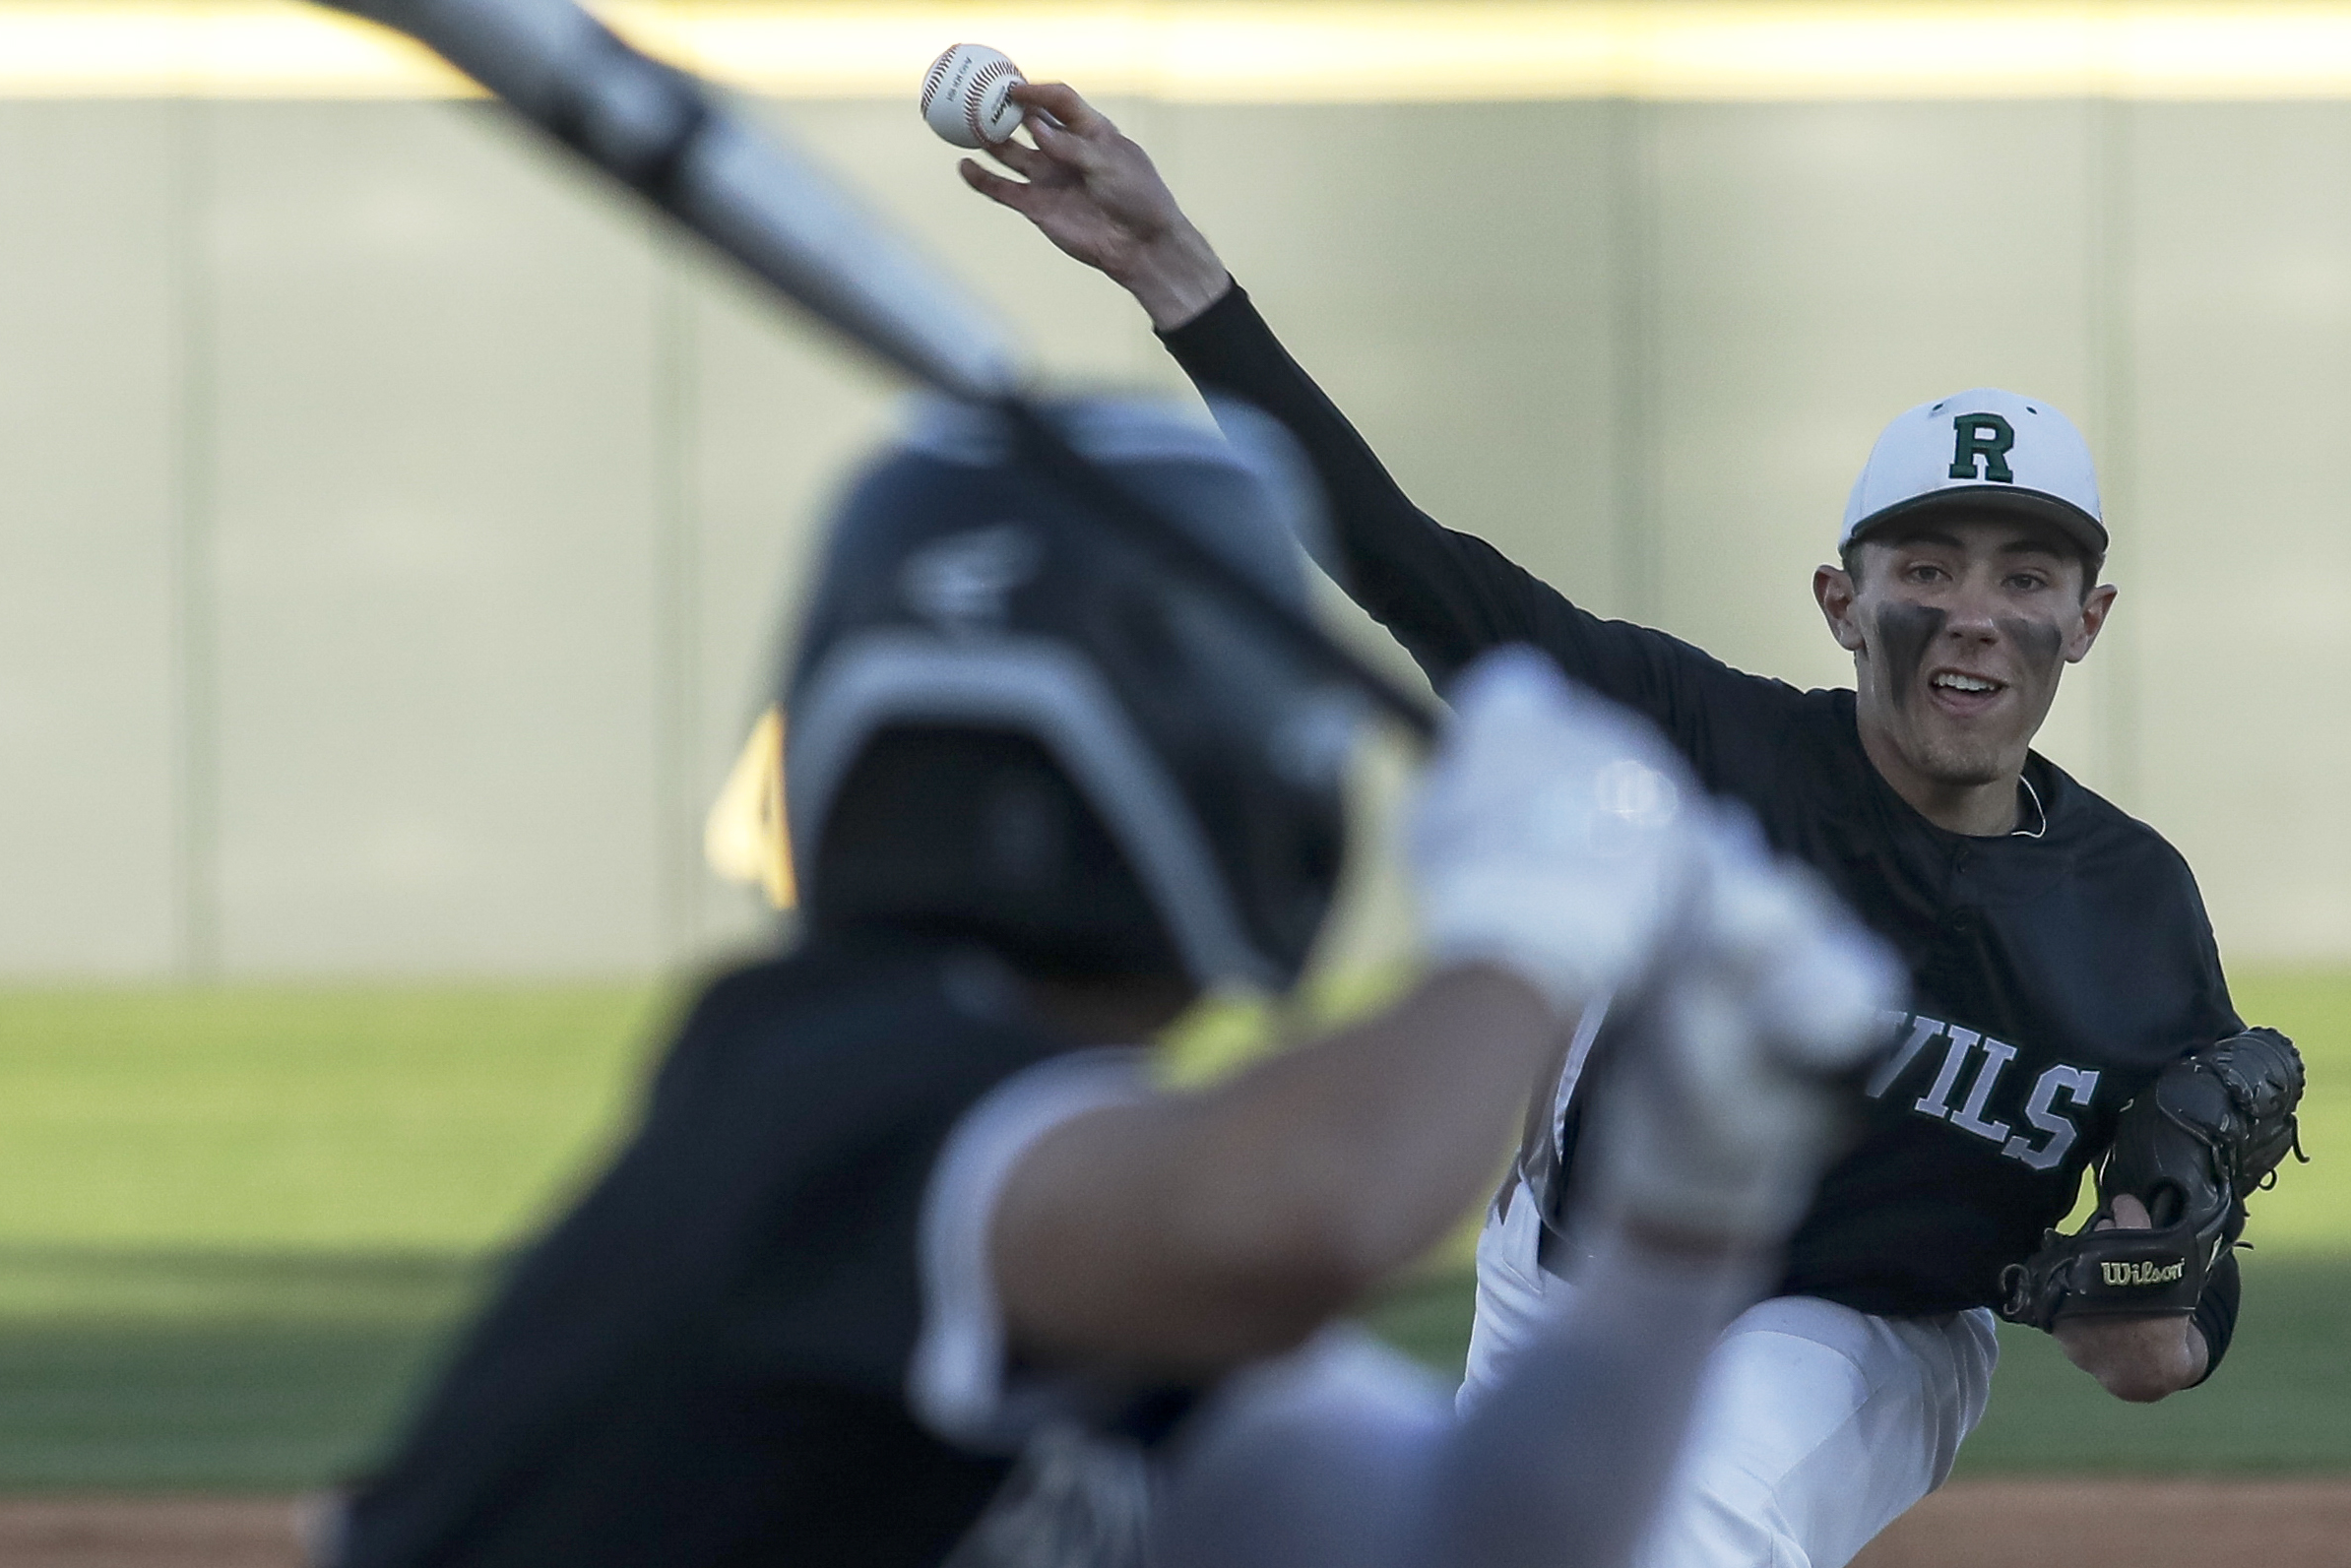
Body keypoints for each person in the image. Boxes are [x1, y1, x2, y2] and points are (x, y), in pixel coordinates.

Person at [960, 84, 2273, 1567]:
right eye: (1926, 563)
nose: (1975, 612)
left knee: (1686, 1530)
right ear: (1841, 602)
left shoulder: (2131, 911)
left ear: (2084, 621)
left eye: (2027, 576)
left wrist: (2162, 1315)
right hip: (1572, 1262)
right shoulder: (1694, 733)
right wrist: (1177, 280)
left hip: (1867, 1331)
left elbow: (2155, 1301)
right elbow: (1407, 566)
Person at [315, 397, 1898, 1567]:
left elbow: (1485, 1544)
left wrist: (1694, 1194)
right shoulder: (840, 1093)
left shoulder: (1089, 1226)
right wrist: (1544, 916)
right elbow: (1307, 1215)